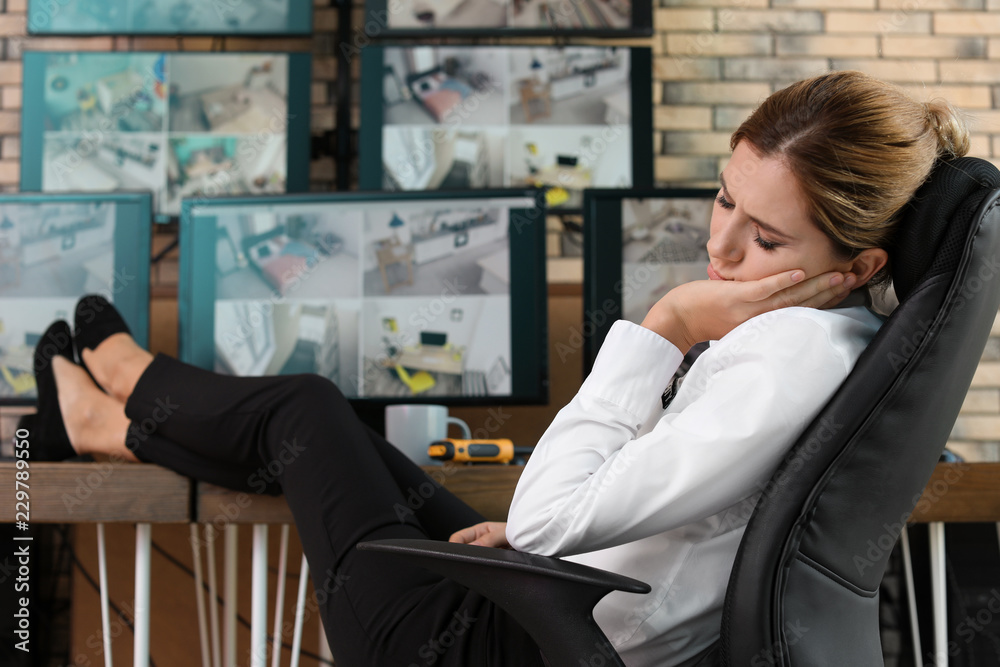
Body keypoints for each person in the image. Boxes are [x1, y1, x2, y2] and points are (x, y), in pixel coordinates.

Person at [28, 70, 969, 667]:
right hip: (555, 600)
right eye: (722, 198)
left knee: (305, 411)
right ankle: (116, 418)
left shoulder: (779, 359)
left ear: (858, 266)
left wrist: (668, 320)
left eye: (763, 237)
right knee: (339, 437)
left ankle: (122, 381)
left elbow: (555, 511)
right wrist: (524, 550)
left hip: (488, 645)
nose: (718, 244)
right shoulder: (841, 341)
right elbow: (627, 524)